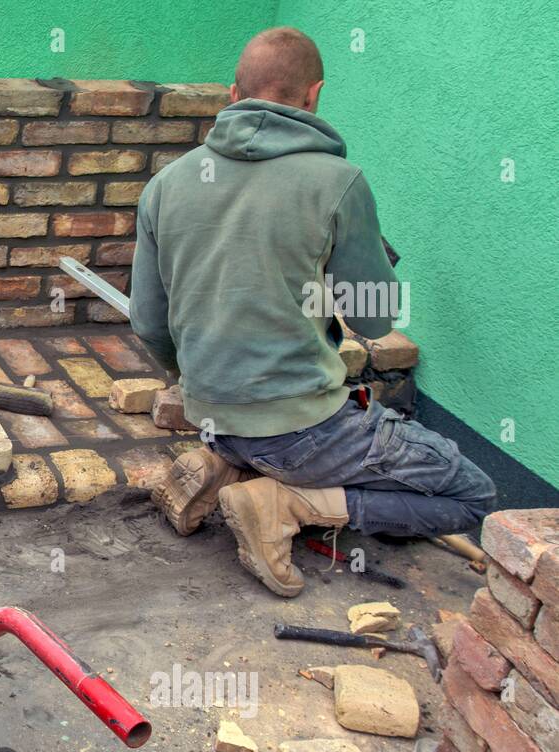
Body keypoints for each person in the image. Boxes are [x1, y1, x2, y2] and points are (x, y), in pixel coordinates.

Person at [130, 27, 495, 597]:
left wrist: (197, 380)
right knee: (472, 494)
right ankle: (287, 504)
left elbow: (148, 322)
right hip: (302, 430)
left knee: (261, 438)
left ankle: (227, 465)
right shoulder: (338, 183)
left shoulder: (167, 184)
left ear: (233, 95)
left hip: (210, 413)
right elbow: (374, 323)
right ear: (314, 95)